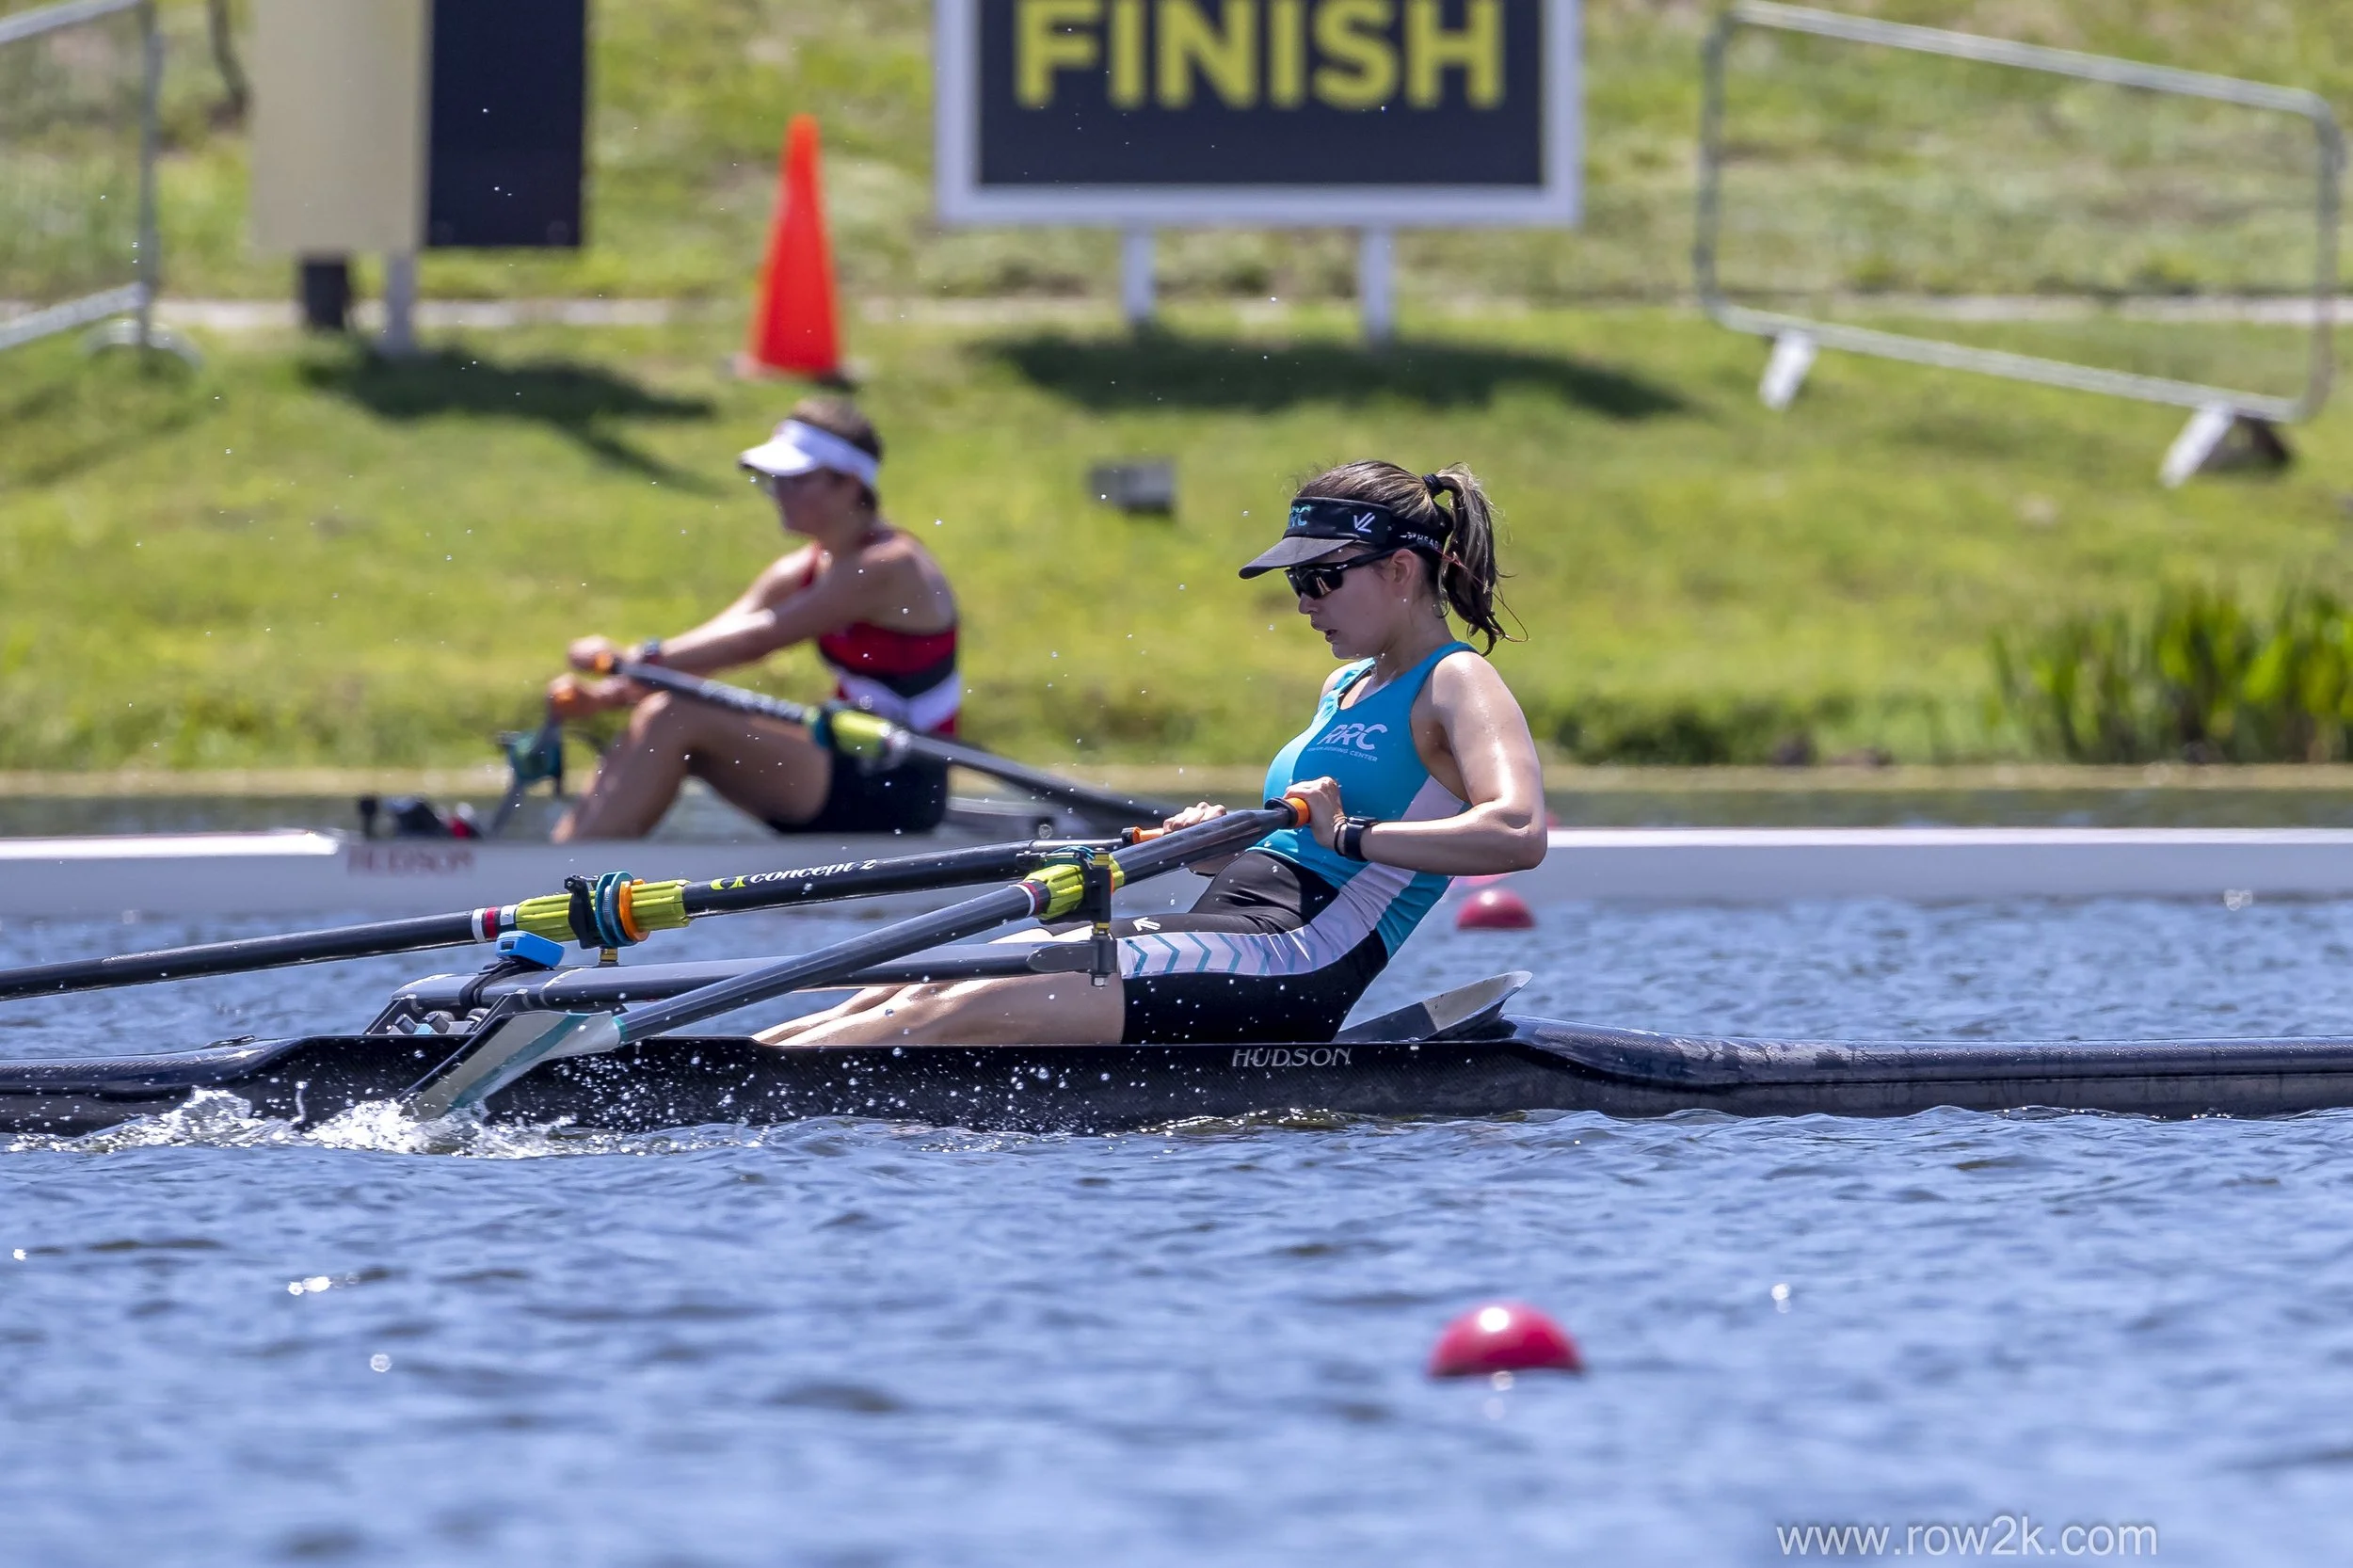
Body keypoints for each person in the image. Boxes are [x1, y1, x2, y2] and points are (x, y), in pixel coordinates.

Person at [759, 458, 1547, 1048]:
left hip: (1299, 959)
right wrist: (1212, 848)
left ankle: (724, 1096)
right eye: (1295, 583)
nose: (1304, 603)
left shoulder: (1457, 680)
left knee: (950, 1009)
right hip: (1231, 930)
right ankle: (719, 1061)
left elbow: (1518, 834)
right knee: (915, 982)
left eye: (1322, 578)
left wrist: (1348, 836)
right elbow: (1299, 841)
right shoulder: (1344, 685)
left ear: (1401, 570)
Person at [550, 398, 961, 841]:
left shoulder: (889, 566)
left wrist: (631, 657)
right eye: (774, 480)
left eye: (797, 480)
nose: (780, 494)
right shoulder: (802, 568)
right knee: (666, 708)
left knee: (676, 715)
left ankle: (574, 870)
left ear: (851, 483)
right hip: (845, 756)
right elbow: (711, 644)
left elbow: (756, 640)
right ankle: (566, 859)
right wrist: (609, 693)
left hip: (900, 777)